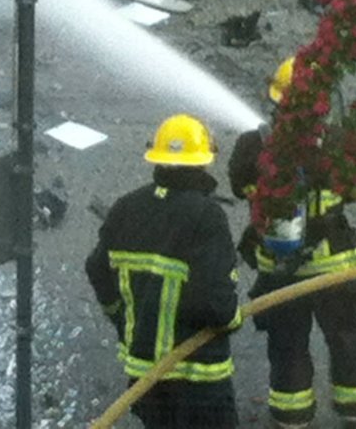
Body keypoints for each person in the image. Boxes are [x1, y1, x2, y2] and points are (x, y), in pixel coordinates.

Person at [229, 56, 356, 428]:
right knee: (349, 339)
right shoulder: (339, 141)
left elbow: (237, 186)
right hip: (337, 267)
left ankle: (292, 416)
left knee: (287, 347)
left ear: (276, 102)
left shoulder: (252, 145)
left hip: (279, 267)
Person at [87, 114, 243, 428]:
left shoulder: (126, 208)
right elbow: (216, 306)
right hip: (200, 378)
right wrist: (233, 318)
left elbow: (96, 268)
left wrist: (121, 317)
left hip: (145, 377)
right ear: (203, 162)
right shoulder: (206, 215)